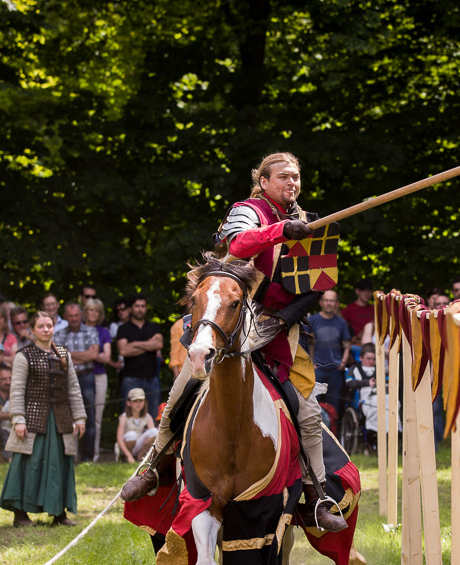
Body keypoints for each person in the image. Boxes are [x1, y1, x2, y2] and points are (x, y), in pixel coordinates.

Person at [122, 151, 347, 532]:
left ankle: (317, 493)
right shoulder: (247, 211)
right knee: (183, 390)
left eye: (296, 177)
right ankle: (156, 464)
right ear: (264, 182)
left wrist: (282, 320)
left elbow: (317, 289)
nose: (291, 183)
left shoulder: (308, 224)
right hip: (233, 322)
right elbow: (240, 246)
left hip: (280, 331)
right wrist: (281, 231)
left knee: (308, 412)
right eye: (283, 177)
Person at [0, 311, 86, 527]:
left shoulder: (64, 354)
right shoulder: (23, 355)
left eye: (49, 325)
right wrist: (18, 419)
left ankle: (59, 513)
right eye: (41, 326)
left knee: (59, 465)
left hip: (60, 418)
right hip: (33, 419)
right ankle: (20, 514)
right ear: (32, 330)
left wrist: (80, 417)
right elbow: (16, 390)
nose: (46, 329)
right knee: (29, 463)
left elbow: (73, 388)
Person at [54, 302, 99, 461]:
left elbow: (93, 355)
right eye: (70, 316)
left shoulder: (91, 330)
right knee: (67, 417)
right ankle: (69, 456)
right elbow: (59, 358)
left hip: (87, 377)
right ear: (65, 317)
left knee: (90, 418)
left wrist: (69, 355)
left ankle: (87, 458)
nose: (73, 319)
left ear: (81, 315)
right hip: (66, 379)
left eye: (76, 315)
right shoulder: (58, 334)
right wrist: (81, 355)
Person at [115, 294, 163, 413]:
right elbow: (123, 350)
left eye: (143, 306)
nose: (140, 309)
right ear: (130, 308)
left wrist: (134, 344)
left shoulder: (154, 327)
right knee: (129, 416)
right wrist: (148, 345)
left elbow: (158, 345)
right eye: (137, 306)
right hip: (131, 379)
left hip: (152, 378)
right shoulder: (123, 329)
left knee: (154, 415)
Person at [309, 289, 352, 418]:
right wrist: (311, 363)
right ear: (321, 303)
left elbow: (347, 345)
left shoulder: (341, 322)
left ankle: (333, 433)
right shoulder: (313, 320)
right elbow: (307, 344)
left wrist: (343, 363)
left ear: (337, 303)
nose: (329, 303)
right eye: (326, 300)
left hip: (335, 371)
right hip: (317, 369)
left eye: (332, 300)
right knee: (313, 404)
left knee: (334, 405)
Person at [84, 298, 115, 462]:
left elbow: (107, 356)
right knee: (79, 416)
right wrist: (94, 355)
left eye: (96, 310)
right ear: (85, 312)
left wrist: (87, 355)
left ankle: (94, 455)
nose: (93, 313)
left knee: (96, 418)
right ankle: (76, 454)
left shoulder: (103, 332)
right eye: (90, 310)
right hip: (80, 376)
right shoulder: (78, 330)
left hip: (98, 376)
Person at [116, 387, 158, 463]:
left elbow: (154, 437)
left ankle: (140, 456)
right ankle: (127, 457)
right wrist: (129, 455)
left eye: (141, 401)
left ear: (144, 402)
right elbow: (119, 439)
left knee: (155, 431)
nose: (138, 404)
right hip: (127, 446)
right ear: (129, 403)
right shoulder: (124, 417)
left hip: (140, 446)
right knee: (131, 435)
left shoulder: (148, 417)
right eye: (135, 401)